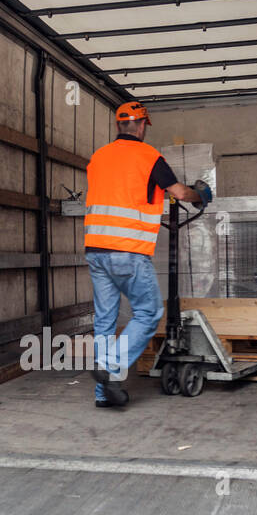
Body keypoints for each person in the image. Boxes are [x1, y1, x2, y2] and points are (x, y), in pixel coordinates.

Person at [83, 100, 212, 408]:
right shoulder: (148, 156)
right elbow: (179, 193)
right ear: (141, 126)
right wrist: (201, 195)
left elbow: (120, 194)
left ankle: (105, 394)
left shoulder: (98, 157)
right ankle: (111, 366)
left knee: (104, 320)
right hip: (127, 252)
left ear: (118, 126)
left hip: (96, 251)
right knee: (149, 313)